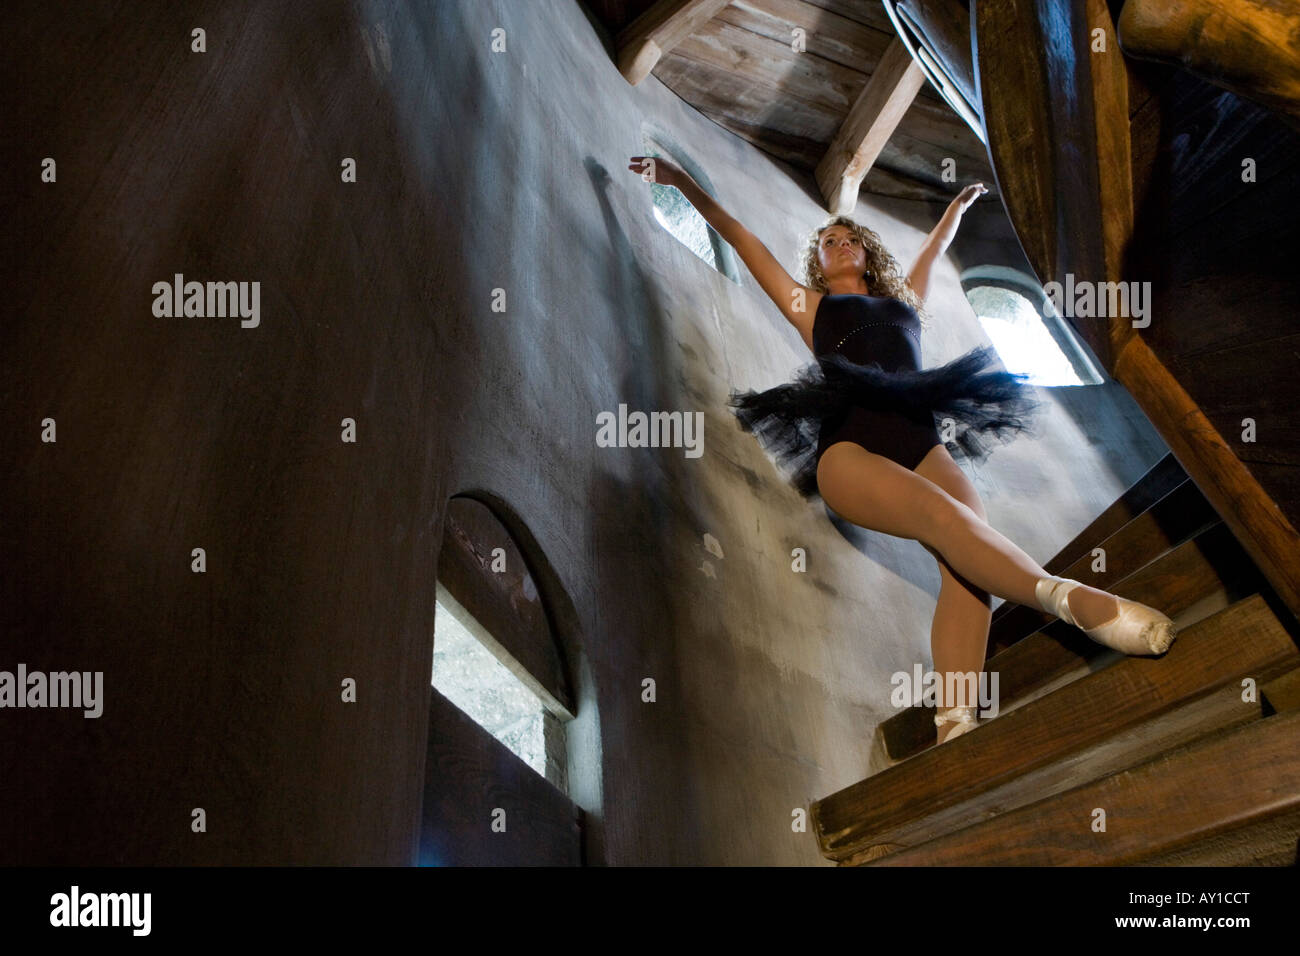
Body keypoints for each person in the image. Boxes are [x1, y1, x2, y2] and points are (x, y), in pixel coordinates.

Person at [627, 154, 1177, 744]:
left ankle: (955, 726)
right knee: (947, 521)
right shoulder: (807, 307)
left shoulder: (904, 304)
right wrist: (683, 180)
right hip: (852, 450)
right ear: (817, 263)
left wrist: (953, 213)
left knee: (969, 566)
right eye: (827, 242)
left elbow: (933, 254)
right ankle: (1073, 602)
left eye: (848, 238)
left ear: (866, 251)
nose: (837, 245)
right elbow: (741, 237)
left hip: (920, 441)